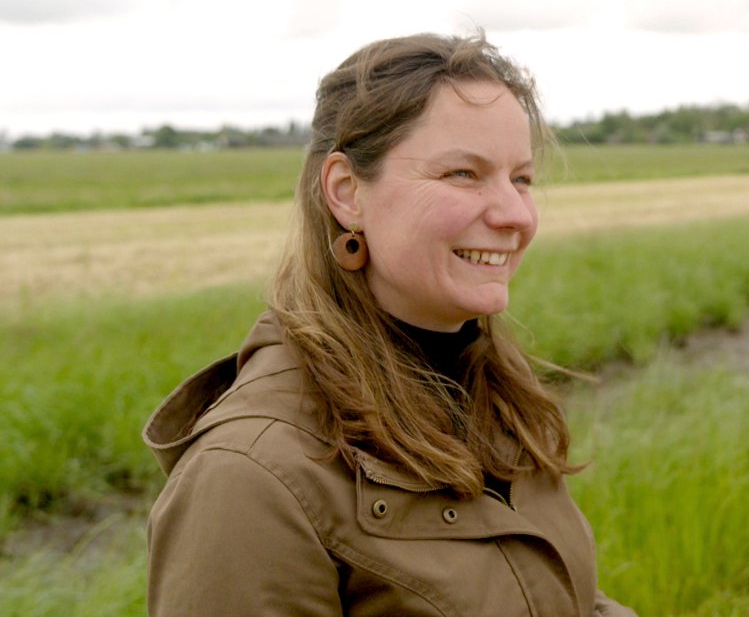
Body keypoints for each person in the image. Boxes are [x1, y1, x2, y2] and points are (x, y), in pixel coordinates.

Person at [142, 32, 636, 616]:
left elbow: (560, 597)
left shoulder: (489, 389)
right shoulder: (250, 477)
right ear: (347, 193)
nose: (515, 214)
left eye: (521, 178)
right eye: (462, 174)